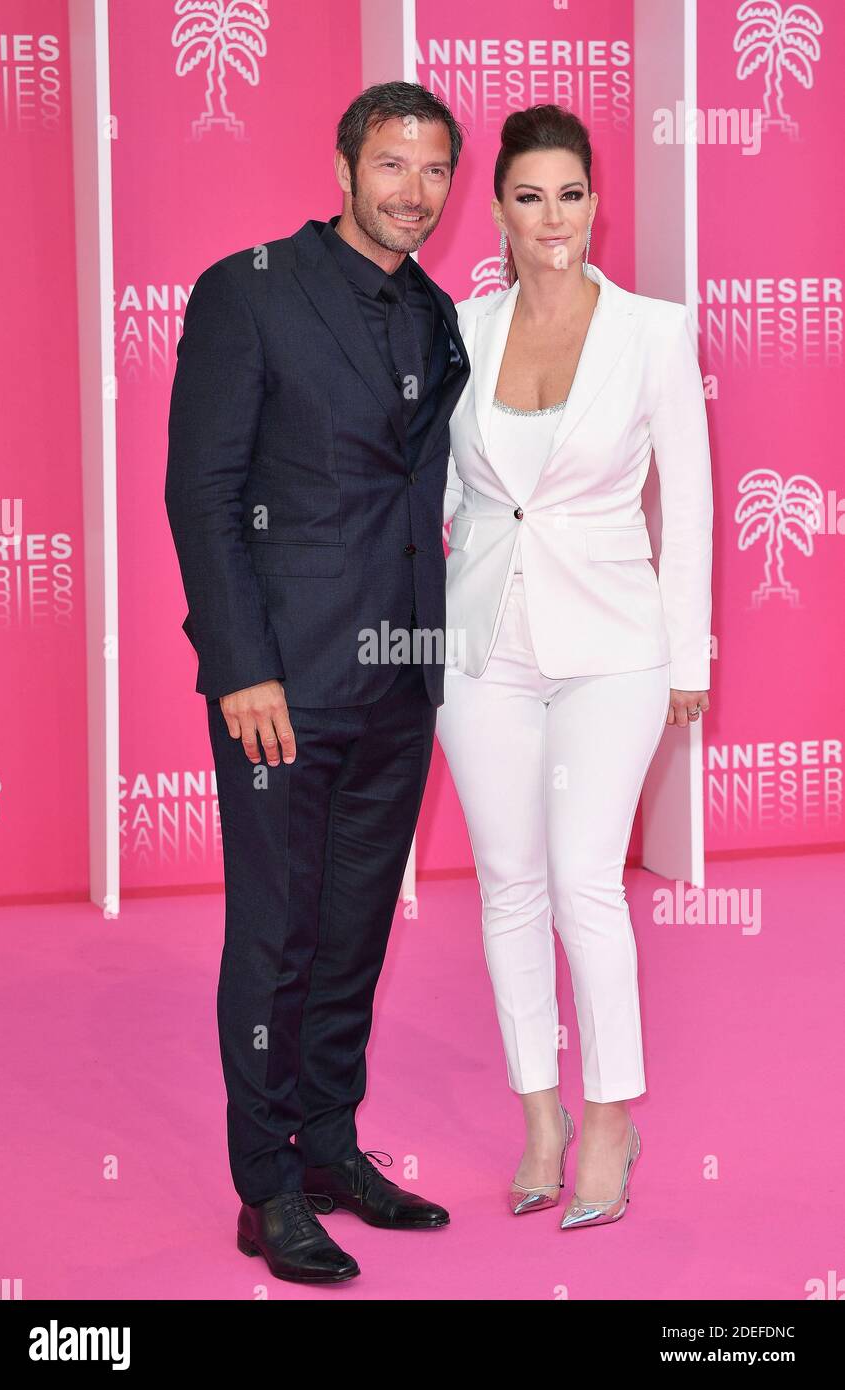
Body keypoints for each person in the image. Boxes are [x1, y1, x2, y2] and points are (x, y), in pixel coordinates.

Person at [165, 82, 470, 1284]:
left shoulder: (438, 316)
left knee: (350, 936)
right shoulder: (247, 291)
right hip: (280, 685)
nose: (412, 191)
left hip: (398, 681)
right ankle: (267, 1183)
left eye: (434, 170)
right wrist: (241, 668)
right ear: (342, 166)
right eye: (390, 164)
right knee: (278, 935)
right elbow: (203, 492)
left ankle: (333, 1144)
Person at [436, 104, 713, 1230]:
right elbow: (455, 489)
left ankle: (609, 1117)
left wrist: (686, 650)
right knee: (508, 883)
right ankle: (539, 1113)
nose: (551, 217)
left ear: (595, 202)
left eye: (569, 193)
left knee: (584, 880)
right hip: (479, 647)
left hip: (612, 642)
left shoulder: (651, 330)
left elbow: (685, 500)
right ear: (497, 208)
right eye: (526, 195)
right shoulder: (463, 329)